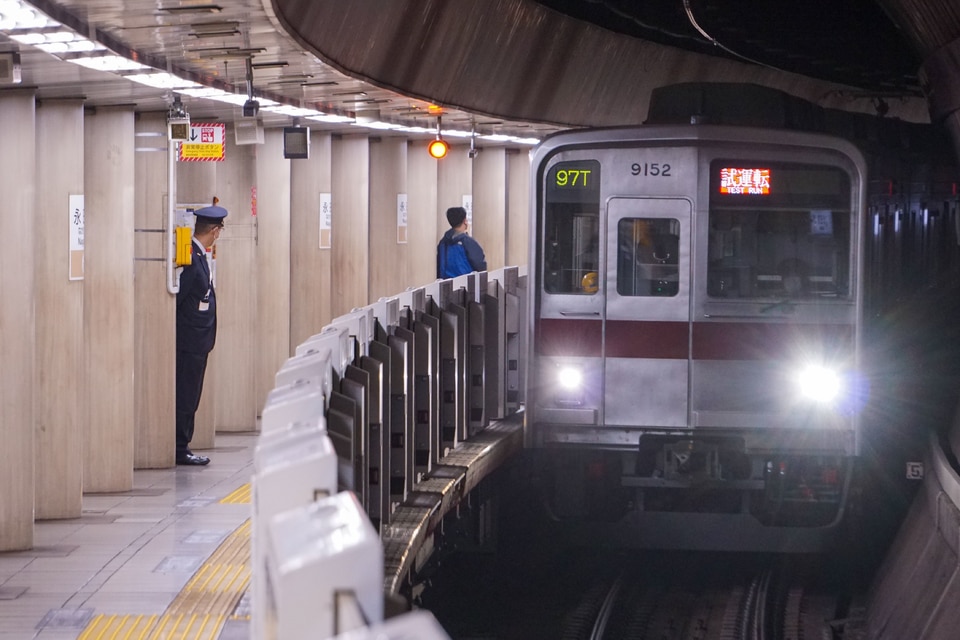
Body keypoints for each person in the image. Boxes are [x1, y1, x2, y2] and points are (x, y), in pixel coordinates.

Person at [175, 198, 227, 466]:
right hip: (189, 341)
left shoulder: (197, 256)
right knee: (186, 394)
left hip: (198, 340)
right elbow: (181, 299)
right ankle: (180, 447)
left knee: (191, 393)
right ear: (215, 231)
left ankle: (183, 444)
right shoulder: (192, 259)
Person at [437, 206, 486, 278]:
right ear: (465, 221)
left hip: (446, 285)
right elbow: (480, 265)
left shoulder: (443, 243)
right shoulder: (468, 242)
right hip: (466, 285)